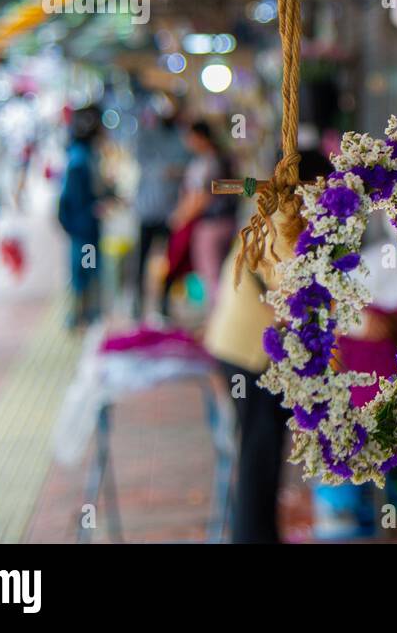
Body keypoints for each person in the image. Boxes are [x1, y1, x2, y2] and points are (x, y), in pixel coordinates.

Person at [204, 148, 328, 543]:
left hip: (243, 345)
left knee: (262, 450)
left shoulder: (280, 211)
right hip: (249, 352)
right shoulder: (287, 219)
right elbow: (298, 289)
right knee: (259, 452)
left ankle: (259, 534)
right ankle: (252, 537)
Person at [166, 120, 237, 315]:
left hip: (212, 225)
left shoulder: (210, 162)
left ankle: (220, 318)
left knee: (212, 275)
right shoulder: (216, 159)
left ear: (200, 137)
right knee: (217, 274)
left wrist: (180, 217)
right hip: (222, 222)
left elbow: (202, 196)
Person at [132, 107, 187, 318]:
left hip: (170, 214)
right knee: (142, 260)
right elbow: (144, 163)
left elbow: (186, 167)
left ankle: (163, 304)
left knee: (169, 262)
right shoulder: (145, 136)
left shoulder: (180, 138)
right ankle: (138, 303)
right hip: (147, 211)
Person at [58, 107, 106, 330]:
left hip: (83, 227)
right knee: (85, 269)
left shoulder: (79, 155)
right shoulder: (80, 160)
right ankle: (80, 314)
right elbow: (72, 200)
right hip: (84, 229)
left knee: (84, 269)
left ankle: (82, 313)